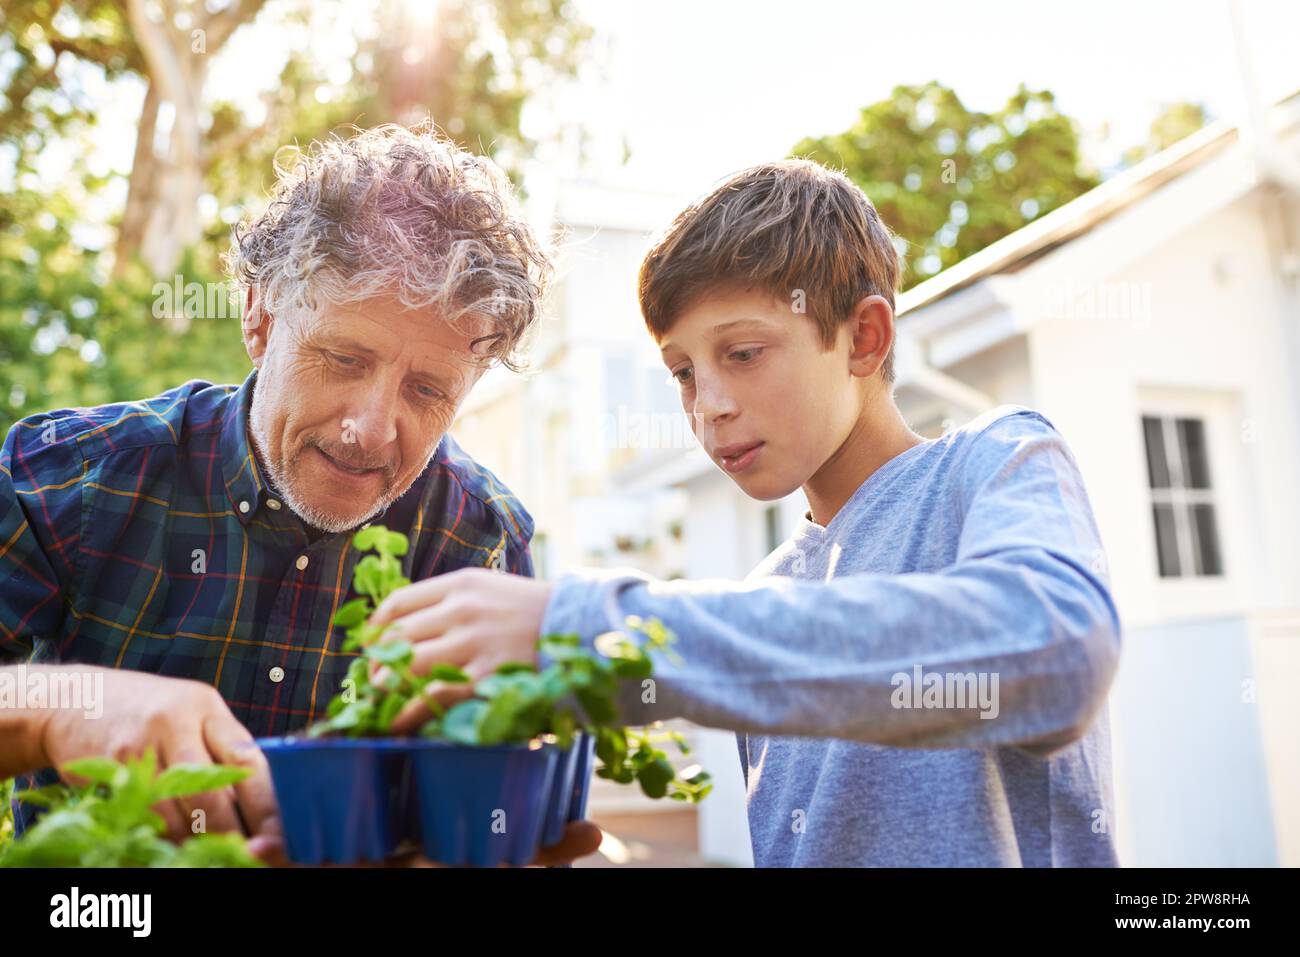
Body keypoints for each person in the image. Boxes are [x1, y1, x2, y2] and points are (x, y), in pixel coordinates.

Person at [366, 159, 1123, 867]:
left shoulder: (994, 461)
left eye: (745, 353)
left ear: (865, 337)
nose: (709, 407)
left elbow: (1054, 657)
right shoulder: (768, 592)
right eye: (683, 373)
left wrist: (584, 628)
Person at [0, 123, 599, 865]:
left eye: (427, 389)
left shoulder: (481, 540)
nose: (373, 428)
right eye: (344, 357)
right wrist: (62, 708)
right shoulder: (75, 477)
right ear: (257, 316)